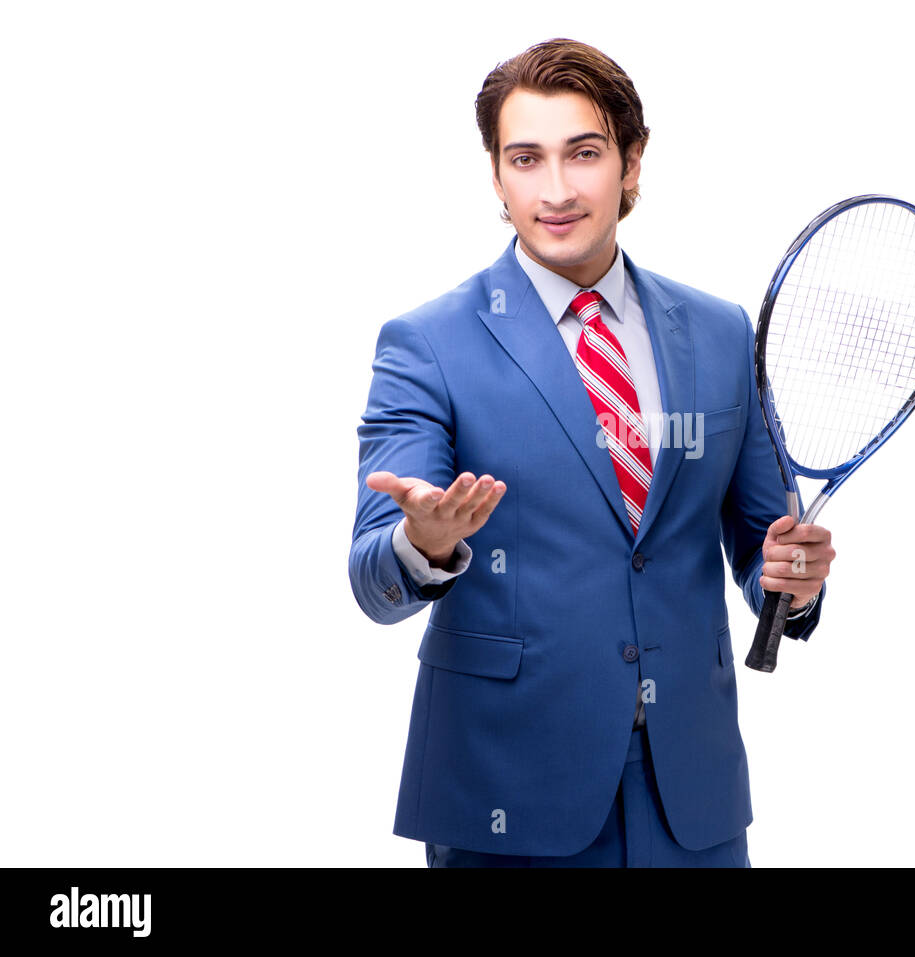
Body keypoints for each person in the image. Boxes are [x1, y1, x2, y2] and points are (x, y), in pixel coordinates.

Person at [349, 38, 836, 867]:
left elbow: (764, 546)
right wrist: (424, 544)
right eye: (526, 159)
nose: (558, 189)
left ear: (631, 162)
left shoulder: (719, 334)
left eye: (584, 153)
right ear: (496, 179)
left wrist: (793, 580)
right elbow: (373, 576)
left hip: (693, 800)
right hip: (507, 790)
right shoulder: (427, 344)